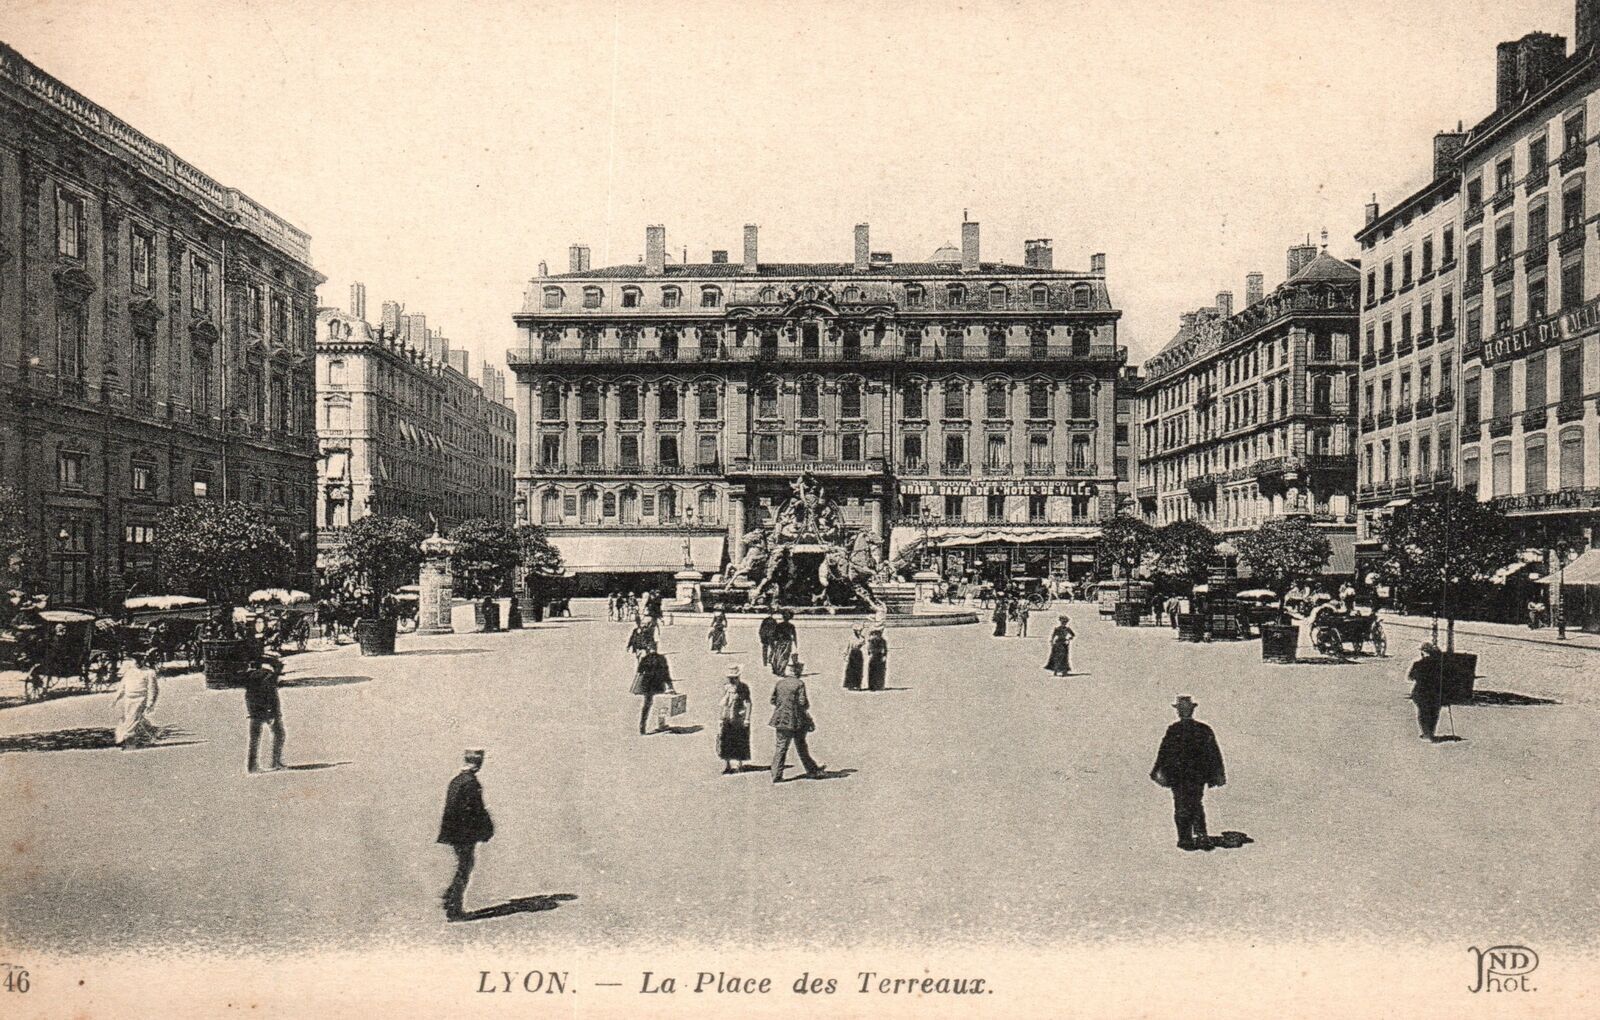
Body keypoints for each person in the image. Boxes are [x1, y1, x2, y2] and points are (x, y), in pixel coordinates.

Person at [1149, 695, 1227, 851]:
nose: (1182, 712)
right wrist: (1219, 773)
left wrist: (1156, 771)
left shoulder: (1185, 729)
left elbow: (1213, 752)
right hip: (1188, 775)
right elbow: (1164, 752)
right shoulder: (1191, 729)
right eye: (1182, 709)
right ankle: (1196, 836)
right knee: (1193, 804)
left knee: (1183, 805)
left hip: (1185, 775)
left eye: (1184, 709)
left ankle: (1188, 838)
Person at [437, 748, 494, 921]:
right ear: (478, 763)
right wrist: (486, 829)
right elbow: (476, 810)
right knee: (465, 867)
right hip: (464, 833)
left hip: (454, 832)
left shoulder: (457, 780)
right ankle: (454, 909)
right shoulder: (471, 783)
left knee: (463, 865)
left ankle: (449, 897)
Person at [770, 657, 824, 783]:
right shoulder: (799, 684)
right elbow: (803, 703)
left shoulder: (780, 683)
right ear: (797, 671)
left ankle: (776, 774)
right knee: (801, 746)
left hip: (780, 719)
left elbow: (773, 700)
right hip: (796, 720)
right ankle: (812, 770)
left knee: (781, 747)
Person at [242, 655, 286, 774]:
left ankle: (252, 766)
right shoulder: (268, 676)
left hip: (254, 710)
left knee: (254, 739)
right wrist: (271, 712)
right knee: (279, 734)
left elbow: (248, 696)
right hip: (268, 711)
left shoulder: (249, 676)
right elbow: (271, 696)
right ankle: (275, 761)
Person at [630, 634, 676, 735]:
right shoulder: (661, 659)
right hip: (658, 685)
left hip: (647, 685)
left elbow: (639, 672)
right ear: (656, 648)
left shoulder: (645, 658)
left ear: (648, 648)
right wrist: (671, 686)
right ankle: (661, 724)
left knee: (646, 705)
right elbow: (666, 674)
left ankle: (642, 727)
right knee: (661, 705)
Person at [113, 656, 160, 748]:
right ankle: (152, 731)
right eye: (135, 661)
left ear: (143, 661)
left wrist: (150, 703)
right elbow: (122, 686)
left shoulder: (149, 672)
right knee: (132, 718)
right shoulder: (129, 672)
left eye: (139, 660)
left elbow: (152, 689)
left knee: (133, 718)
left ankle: (125, 739)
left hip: (140, 698)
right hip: (128, 698)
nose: (137, 663)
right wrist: (116, 698)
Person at [717, 666, 752, 774]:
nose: (732, 680)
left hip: (738, 718)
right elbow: (723, 705)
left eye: (734, 678)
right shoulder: (726, 687)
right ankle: (727, 765)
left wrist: (747, 718)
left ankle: (739, 764)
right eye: (730, 678)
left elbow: (748, 703)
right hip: (727, 717)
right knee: (725, 740)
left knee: (740, 740)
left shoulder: (743, 688)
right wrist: (720, 718)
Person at [1408, 642, 1446, 740]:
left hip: (1420, 691)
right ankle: (1431, 732)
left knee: (1423, 712)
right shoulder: (1440, 666)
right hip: (1435, 692)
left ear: (1423, 652)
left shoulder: (1418, 664)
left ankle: (1426, 733)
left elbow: (1410, 677)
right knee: (1434, 712)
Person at [768, 610, 798, 677]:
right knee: (785, 657)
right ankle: (781, 671)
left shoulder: (779, 625)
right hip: (787, 642)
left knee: (777, 656)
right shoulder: (791, 626)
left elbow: (774, 634)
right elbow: (794, 636)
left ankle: (776, 669)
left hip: (779, 642)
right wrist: (796, 644)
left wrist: (773, 641)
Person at [842, 625, 866, 691]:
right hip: (853, 654)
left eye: (860, 631)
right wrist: (845, 655)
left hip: (859, 654)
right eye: (858, 631)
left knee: (859, 670)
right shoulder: (851, 638)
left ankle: (858, 685)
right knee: (851, 670)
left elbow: (863, 644)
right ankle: (851, 685)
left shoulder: (862, 638)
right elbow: (848, 646)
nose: (860, 632)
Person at [865, 625, 889, 691]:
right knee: (872, 671)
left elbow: (885, 649)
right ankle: (872, 686)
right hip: (873, 656)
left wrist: (884, 656)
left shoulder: (883, 641)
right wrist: (870, 654)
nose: (877, 635)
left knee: (880, 671)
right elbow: (869, 649)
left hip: (880, 656)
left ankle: (880, 685)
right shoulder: (871, 641)